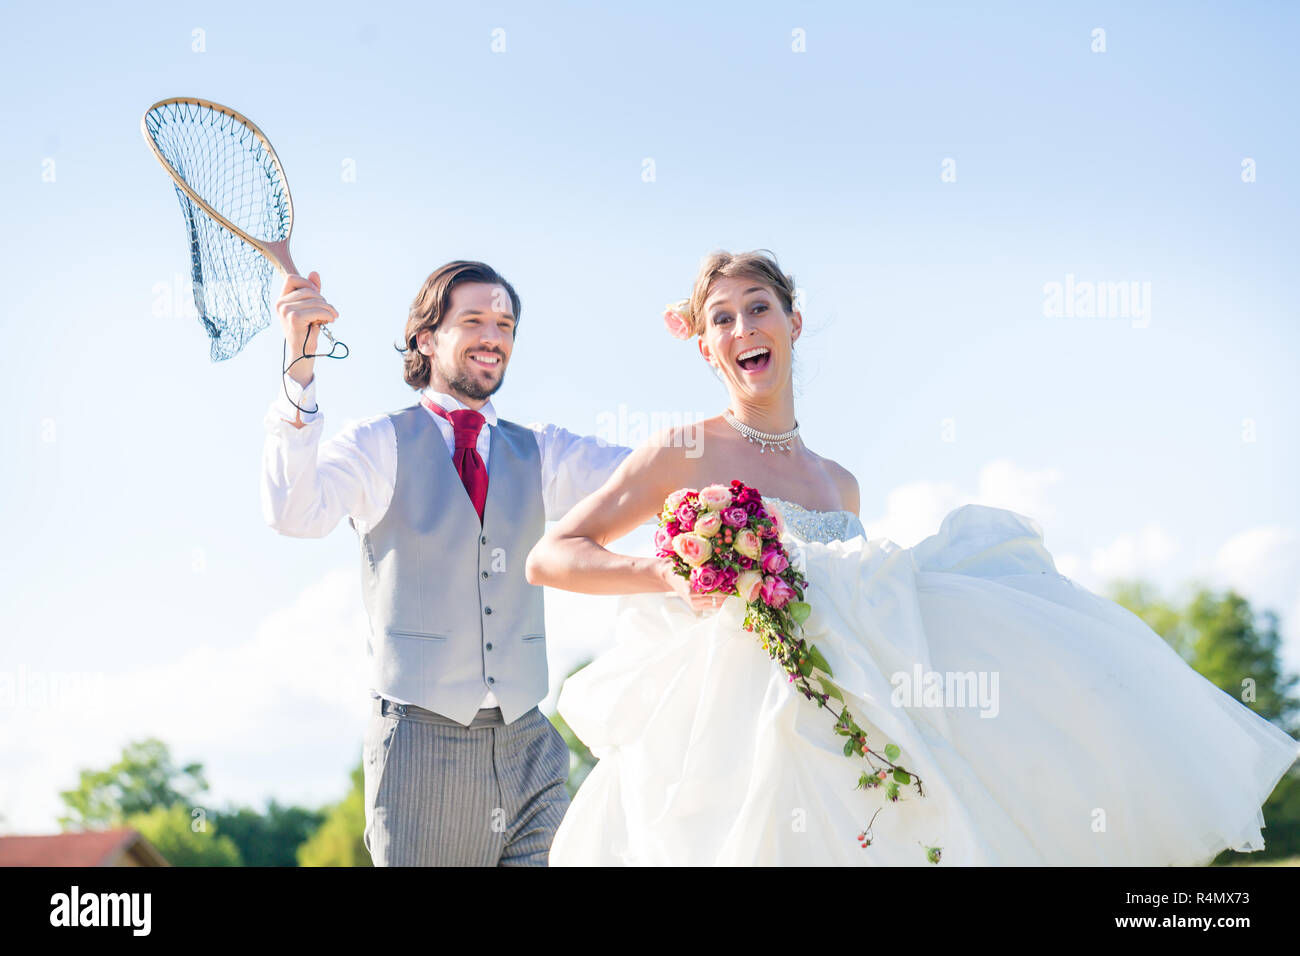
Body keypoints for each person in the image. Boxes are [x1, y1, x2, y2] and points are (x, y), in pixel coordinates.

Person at [525, 249, 1300, 865]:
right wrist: (662, 573)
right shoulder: (683, 449)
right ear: (706, 348)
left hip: (856, 716)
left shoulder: (839, 484)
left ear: (793, 322)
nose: (741, 327)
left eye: (757, 307)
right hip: (739, 721)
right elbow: (552, 556)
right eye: (721, 318)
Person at [261, 261, 631, 865]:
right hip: (421, 749)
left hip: (530, 744)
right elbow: (292, 511)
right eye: (474, 320)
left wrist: (739, 419)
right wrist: (299, 369)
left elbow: (643, 478)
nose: (493, 337)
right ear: (426, 338)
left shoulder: (541, 449)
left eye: (505, 325)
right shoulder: (379, 443)